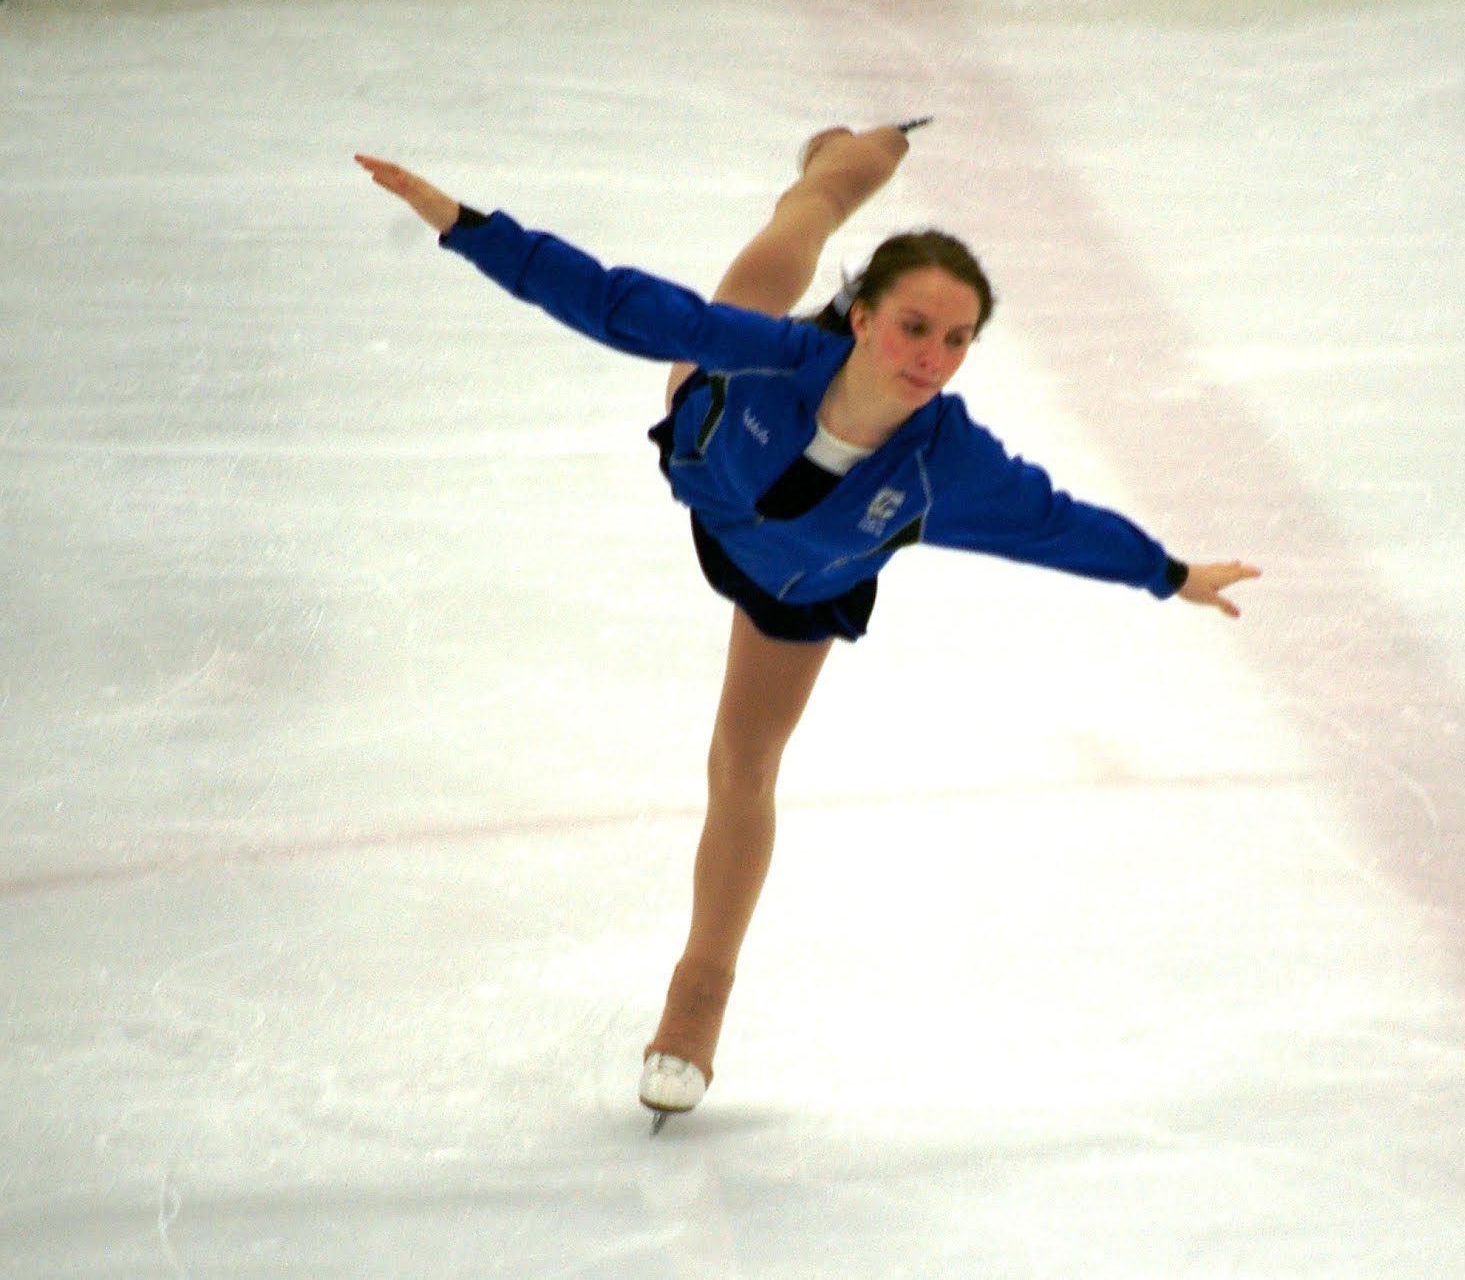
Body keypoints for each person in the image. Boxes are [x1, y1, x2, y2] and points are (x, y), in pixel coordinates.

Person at [355, 125, 1260, 1128]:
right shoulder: (775, 357)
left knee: (741, 765)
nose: (933, 358)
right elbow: (612, 302)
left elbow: (1051, 524)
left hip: (792, 581)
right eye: (913, 327)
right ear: (862, 318)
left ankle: (697, 995)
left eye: (956, 340)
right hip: (711, 451)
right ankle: (841, 169)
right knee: (783, 244)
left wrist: (1167, 572)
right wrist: (458, 222)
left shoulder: (944, 462)